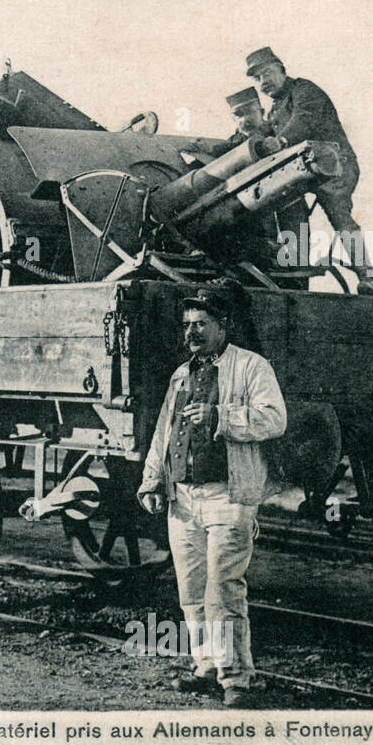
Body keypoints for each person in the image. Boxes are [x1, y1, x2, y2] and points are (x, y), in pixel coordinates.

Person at [137, 288, 287, 708]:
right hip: (183, 499)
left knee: (224, 590)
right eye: (187, 325)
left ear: (224, 326)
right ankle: (206, 666)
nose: (192, 332)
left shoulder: (252, 367)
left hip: (229, 497)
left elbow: (275, 418)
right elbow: (163, 434)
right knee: (191, 589)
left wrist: (222, 416)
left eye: (201, 324)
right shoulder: (182, 375)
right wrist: (152, 481)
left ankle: (237, 677)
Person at [246, 47, 373, 294]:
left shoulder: (305, 91)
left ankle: (367, 276)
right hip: (303, 170)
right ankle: (296, 279)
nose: (263, 82)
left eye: (267, 73)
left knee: (339, 215)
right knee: (288, 213)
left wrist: (282, 141)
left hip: (334, 165)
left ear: (281, 68)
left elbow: (304, 119)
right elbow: (262, 134)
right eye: (257, 79)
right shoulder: (275, 109)